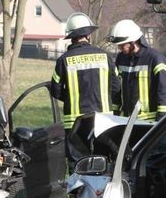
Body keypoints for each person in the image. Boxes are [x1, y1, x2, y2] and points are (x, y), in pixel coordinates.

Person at [49, 12, 119, 163]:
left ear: (72, 37)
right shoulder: (105, 57)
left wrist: (70, 98)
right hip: (103, 119)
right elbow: (116, 87)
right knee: (102, 161)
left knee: (77, 163)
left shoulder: (64, 60)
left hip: (75, 122)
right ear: (88, 35)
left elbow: (55, 90)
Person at [110, 19, 166, 121]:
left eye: (122, 45)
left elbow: (164, 92)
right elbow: (116, 88)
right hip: (125, 121)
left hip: (148, 122)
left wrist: (161, 121)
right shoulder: (121, 58)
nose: (119, 48)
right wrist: (114, 115)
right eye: (118, 45)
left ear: (133, 41)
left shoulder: (155, 58)